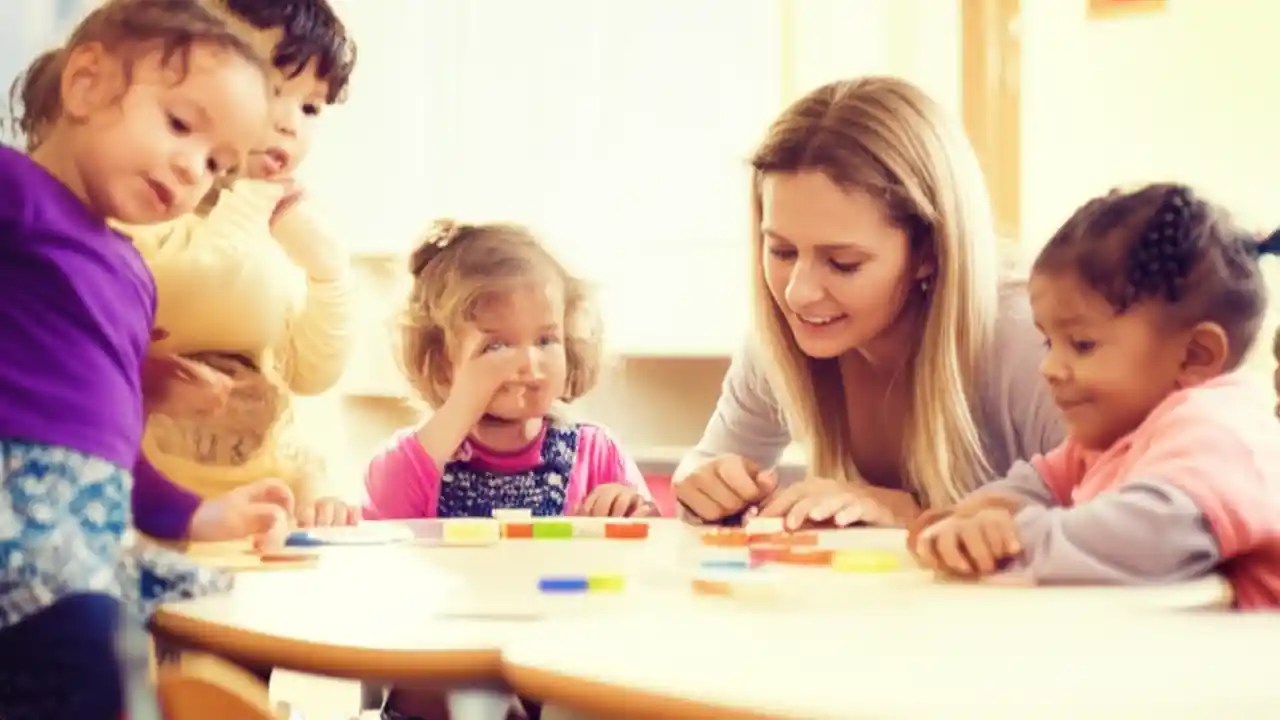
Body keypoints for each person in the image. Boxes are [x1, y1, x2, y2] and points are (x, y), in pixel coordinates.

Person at [0, 1, 274, 716]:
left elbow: (111, 450)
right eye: (182, 125)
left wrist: (196, 513)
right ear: (86, 84)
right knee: (84, 646)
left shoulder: (130, 273)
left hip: (94, 536)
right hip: (17, 533)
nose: (193, 170)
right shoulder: (13, 192)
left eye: (217, 166)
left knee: (238, 616)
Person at [673, 77, 1064, 530]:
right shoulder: (780, 340)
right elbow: (701, 473)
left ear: (928, 252)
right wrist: (706, 489)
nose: (798, 292)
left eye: (842, 262)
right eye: (781, 251)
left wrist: (917, 517)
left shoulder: (1029, 340)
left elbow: (1136, 535)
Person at [912, 186, 1280, 610]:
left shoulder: (1218, 432)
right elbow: (1034, 486)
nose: (1048, 368)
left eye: (1082, 344)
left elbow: (1149, 540)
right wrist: (977, 519)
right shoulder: (1116, 433)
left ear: (1196, 355)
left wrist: (1011, 539)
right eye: (1050, 343)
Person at [364, 220, 655, 720]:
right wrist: (462, 404)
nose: (528, 363)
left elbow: (644, 562)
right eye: (496, 347)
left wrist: (629, 510)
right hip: (443, 674)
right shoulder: (421, 458)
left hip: (560, 665)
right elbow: (386, 508)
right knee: (440, 681)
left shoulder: (593, 450)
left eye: (546, 340)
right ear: (440, 362)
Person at [120, 0, 361, 528]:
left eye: (311, 108)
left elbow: (310, 370)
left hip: (256, 491)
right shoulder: (147, 197)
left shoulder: (274, 229)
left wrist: (330, 275)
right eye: (273, 89)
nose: (290, 124)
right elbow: (186, 286)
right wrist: (254, 196)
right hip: (152, 503)